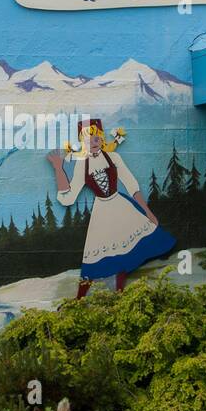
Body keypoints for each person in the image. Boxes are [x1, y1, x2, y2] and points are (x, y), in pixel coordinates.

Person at [45, 119, 176, 299]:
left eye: (96, 138)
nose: (93, 143)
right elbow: (68, 198)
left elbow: (131, 183)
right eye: (87, 140)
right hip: (102, 212)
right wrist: (59, 169)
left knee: (126, 251)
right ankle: (79, 300)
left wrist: (147, 211)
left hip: (121, 206)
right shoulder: (82, 164)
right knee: (91, 258)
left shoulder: (114, 157)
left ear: (101, 138)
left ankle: (120, 295)